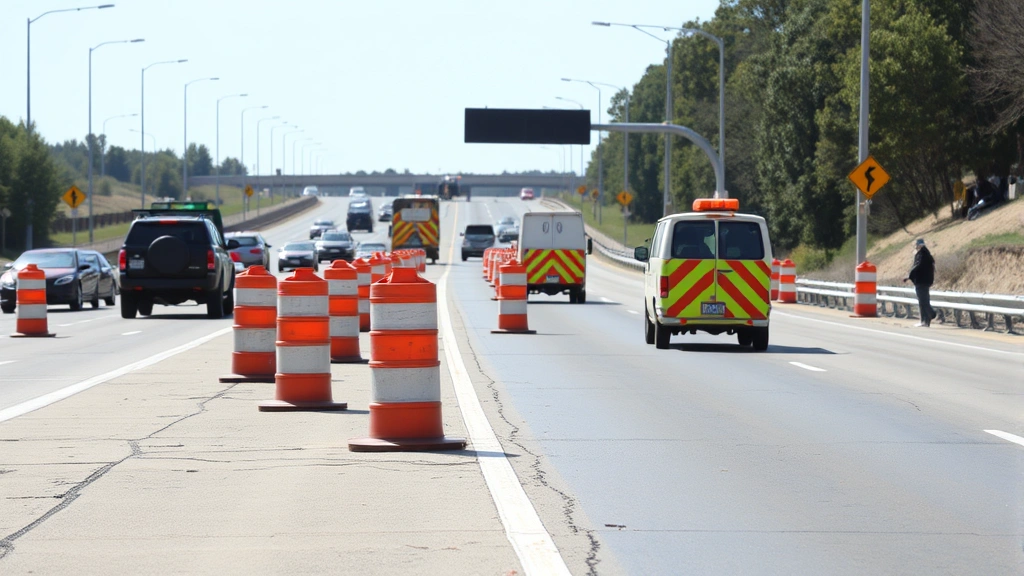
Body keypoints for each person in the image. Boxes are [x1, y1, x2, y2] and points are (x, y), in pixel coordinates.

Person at [904, 238, 936, 327]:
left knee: (923, 301)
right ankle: (925, 321)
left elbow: (917, 266)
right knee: (923, 300)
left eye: (916, 245)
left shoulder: (922, 254)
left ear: (919, 245)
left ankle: (931, 314)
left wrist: (909, 276)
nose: (916, 247)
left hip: (922, 281)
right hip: (926, 280)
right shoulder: (927, 254)